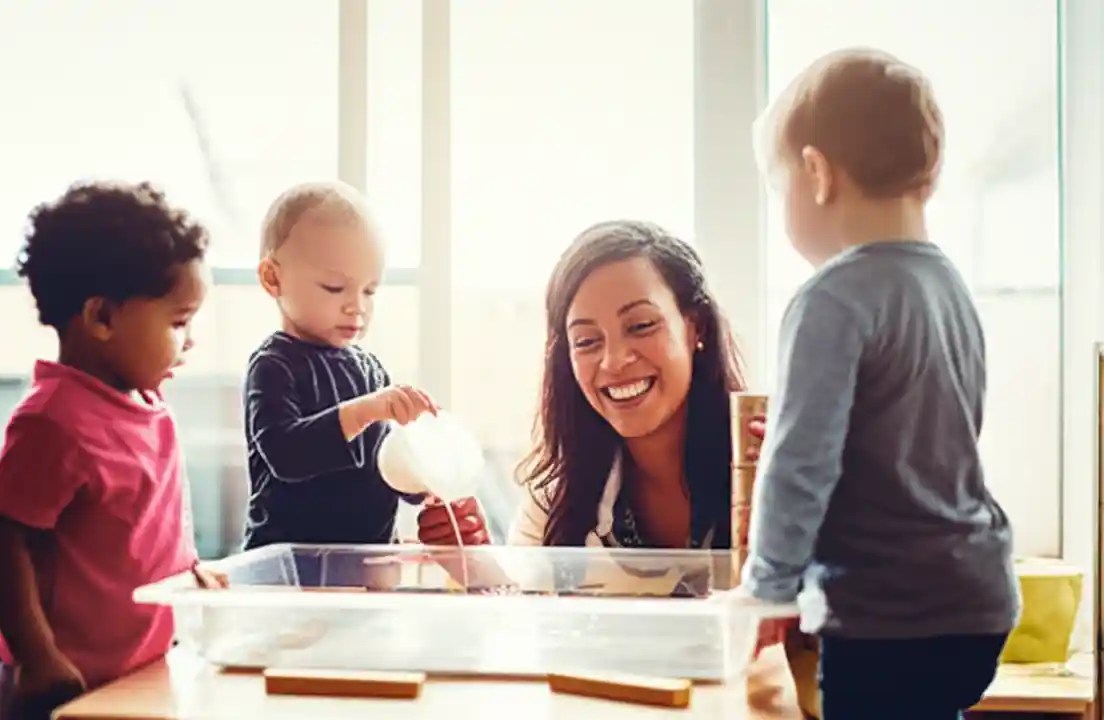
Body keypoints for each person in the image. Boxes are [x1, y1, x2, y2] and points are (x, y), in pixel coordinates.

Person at [417, 219, 818, 715]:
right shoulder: (559, 500)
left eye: (641, 325)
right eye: (586, 341)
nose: (614, 360)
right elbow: (528, 638)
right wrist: (475, 567)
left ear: (695, 328)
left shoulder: (778, 465)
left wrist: (815, 500)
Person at [740, 47, 1018, 720]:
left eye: (782, 190)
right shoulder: (949, 289)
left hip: (889, 619)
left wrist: (766, 592)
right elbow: (924, 440)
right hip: (977, 607)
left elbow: (799, 469)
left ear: (816, 173)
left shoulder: (832, 299)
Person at [0, 181, 229, 720]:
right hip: (52, 683)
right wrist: (38, 657)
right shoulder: (54, 419)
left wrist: (189, 570)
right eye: (178, 322)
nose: (190, 340)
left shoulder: (148, 403)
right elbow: (2, 539)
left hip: (128, 677)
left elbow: (128, 528)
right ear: (102, 319)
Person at [242, 181, 437, 560]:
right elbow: (287, 455)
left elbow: (386, 464)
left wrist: (422, 478)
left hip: (368, 563)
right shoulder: (273, 364)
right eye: (335, 288)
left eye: (370, 291)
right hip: (291, 568)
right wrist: (368, 410)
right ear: (273, 278)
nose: (356, 306)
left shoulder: (369, 370)